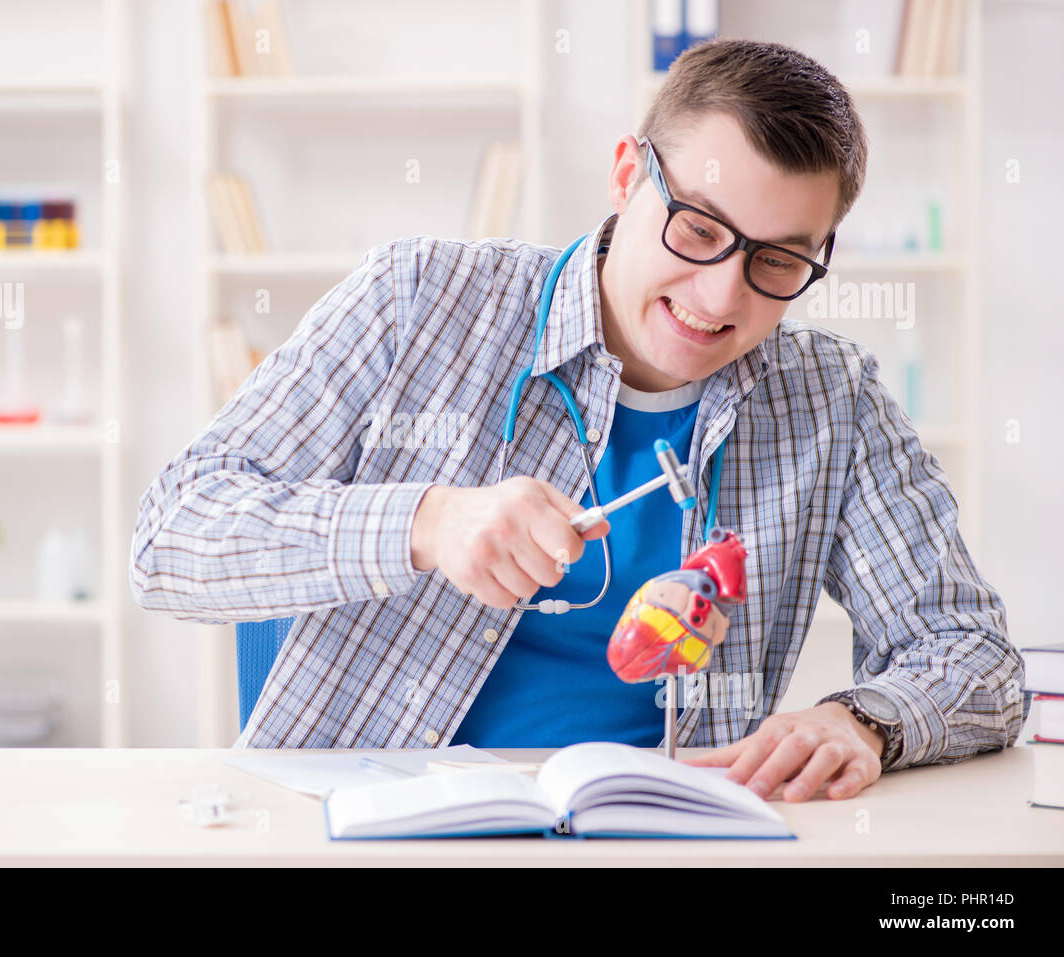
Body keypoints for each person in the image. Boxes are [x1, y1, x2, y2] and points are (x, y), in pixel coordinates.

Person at [131, 38, 1027, 803]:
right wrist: (426, 522)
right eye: (700, 229)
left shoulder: (831, 399)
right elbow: (170, 536)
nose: (720, 297)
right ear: (628, 175)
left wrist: (864, 720)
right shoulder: (419, 301)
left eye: (780, 260)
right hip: (370, 825)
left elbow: (973, 651)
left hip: (653, 831)